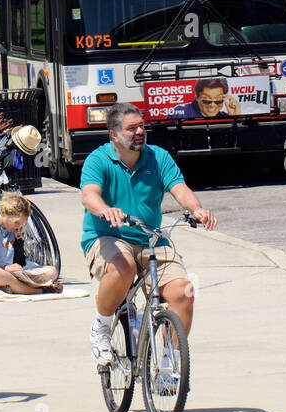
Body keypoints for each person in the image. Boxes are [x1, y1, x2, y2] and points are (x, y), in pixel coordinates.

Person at [80, 102, 217, 367]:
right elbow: (89, 195)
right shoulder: (98, 160)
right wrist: (106, 210)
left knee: (184, 292)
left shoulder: (158, 157)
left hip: (151, 238)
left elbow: (179, 189)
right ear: (114, 135)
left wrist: (197, 210)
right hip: (108, 235)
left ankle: (168, 359)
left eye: (142, 126)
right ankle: (101, 327)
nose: (140, 131)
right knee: (124, 266)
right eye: (132, 128)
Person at [0, 190, 61, 295]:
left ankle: (11, 287)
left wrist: (19, 244)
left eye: (20, 224)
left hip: (10, 273)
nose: (18, 226)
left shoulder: (12, 231)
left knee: (52, 271)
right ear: (6, 214)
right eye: (16, 222)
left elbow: (20, 263)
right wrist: (5, 268)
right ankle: (36, 290)